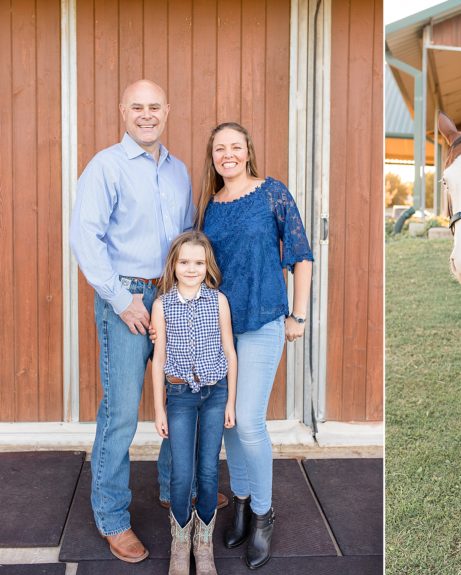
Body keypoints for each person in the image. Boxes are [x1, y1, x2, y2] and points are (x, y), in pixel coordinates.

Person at [70, 79, 194, 562]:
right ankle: (112, 516)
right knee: (121, 412)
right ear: (123, 110)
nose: (147, 115)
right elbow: (86, 238)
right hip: (125, 298)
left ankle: (171, 487)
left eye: (155, 107)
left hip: (171, 298)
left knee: (181, 398)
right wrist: (123, 301)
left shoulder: (180, 171)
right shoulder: (107, 166)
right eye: (137, 107)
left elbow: (186, 240)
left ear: (168, 111)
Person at [198, 122, 313, 569]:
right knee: (228, 422)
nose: (228, 154)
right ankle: (241, 503)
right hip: (220, 328)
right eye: (219, 149)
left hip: (264, 321)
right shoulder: (210, 207)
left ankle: (264, 515)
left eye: (235, 147)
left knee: (248, 421)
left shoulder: (272, 193)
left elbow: (300, 254)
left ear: (248, 152)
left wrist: (297, 315)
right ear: (213, 157)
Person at [151, 231, 237, 575]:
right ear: (174, 265)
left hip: (215, 394)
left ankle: (203, 544)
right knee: (181, 473)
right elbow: (158, 361)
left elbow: (230, 351)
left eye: (198, 263)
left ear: (207, 266)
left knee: (208, 469)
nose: (191, 269)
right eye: (184, 262)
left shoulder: (218, 301)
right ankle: (180, 541)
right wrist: (159, 409)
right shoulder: (162, 305)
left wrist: (231, 401)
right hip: (180, 397)